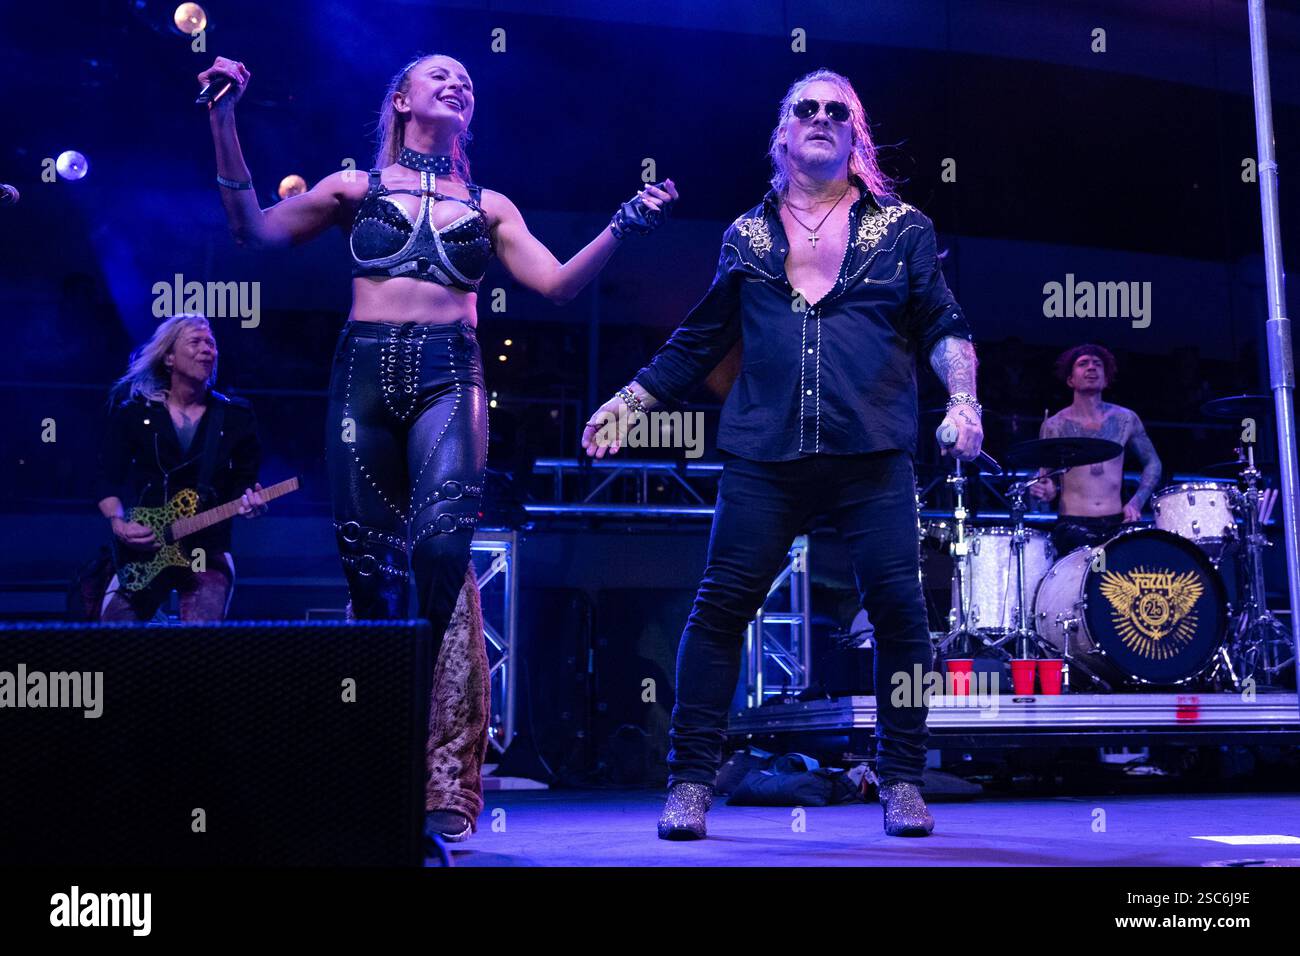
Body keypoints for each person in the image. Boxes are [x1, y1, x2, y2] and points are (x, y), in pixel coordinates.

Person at [199, 51, 677, 841]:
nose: (459, 83)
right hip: (362, 374)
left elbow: (555, 284)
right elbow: (251, 232)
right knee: (369, 573)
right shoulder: (355, 187)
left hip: (450, 374)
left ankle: (444, 774)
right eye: (440, 75)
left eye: (468, 80)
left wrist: (622, 226)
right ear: (401, 99)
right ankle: (377, 766)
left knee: (441, 553)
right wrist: (223, 119)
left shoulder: (491, 205)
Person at [582, 69, 982, 839]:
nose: (823, 117)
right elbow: (700, 338)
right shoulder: (747, 234)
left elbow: (944, 323)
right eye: (808, 108)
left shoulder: (904, 229)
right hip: (765, 451)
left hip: (871, 449)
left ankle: (901, 778)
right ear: (785, 134)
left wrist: (963, 400)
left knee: (901, 616)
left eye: (840, 111)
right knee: (719, 609)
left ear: (856, 136)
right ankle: (691, 781)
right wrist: (632, 399)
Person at [97, 313, 266, 622]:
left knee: (199, 640)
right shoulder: (134, 413)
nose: (207, 349)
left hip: (207, 549)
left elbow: (245, 481)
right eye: (195, 342)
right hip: (145, 549)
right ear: (169, 357)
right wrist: (119, 524)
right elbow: (108, 479)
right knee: (114, 627)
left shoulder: (236, 415)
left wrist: (251, 503)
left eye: (211, 344)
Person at [1029, 344, 1162, 556]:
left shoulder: (1126, 419)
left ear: (1106, 378)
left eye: (1097, 364)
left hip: (1116, 522)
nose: (1091, 368)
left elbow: (1153, 463)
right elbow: (1046, 474)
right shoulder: (1055, 424)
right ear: (1070, 379)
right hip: (1073, 524)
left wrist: (1137, 501)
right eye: (1083, 364)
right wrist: (1045, 489)